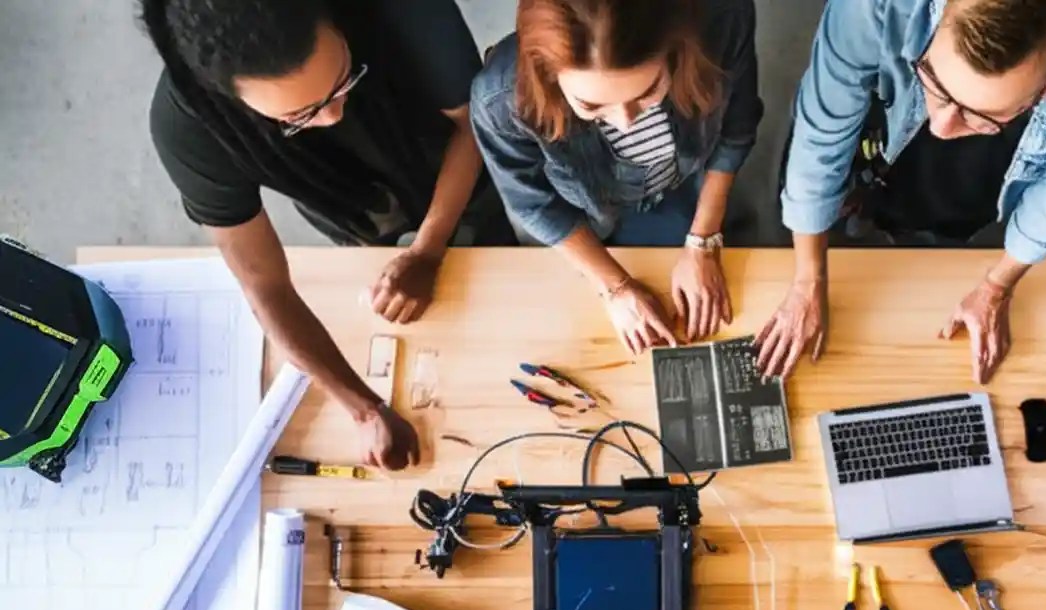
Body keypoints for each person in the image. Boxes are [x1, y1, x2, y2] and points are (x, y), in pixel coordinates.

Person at [141, 0, 511, 469]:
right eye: (301, 115)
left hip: (443, 153)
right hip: (343, 200)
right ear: (229, 99)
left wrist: (428, 250)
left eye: (345, 79)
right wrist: (363, 409)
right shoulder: (189, 129)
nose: (335, 115)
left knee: (493, 264)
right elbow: (264, 284)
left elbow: (470, 124)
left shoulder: (409, 12)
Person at [757, 0, 1046, 381]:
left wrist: (995, 289)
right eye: (935, 83)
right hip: (879, 117)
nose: (942, 128)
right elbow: (825, 125)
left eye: (980, 116)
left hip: (979, 176)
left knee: (940, 212)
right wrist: (806, 281)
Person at [470, 0, 763, 353]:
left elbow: (736, 127)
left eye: (647, 93)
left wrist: (702, 240)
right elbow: (532, 202)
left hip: (687, 181)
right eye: (592, 106)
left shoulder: (723, 17)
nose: (626, 122)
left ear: (677, 45)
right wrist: (614, 287)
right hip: (585, 214)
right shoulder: (498, 99)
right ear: (547, 73)